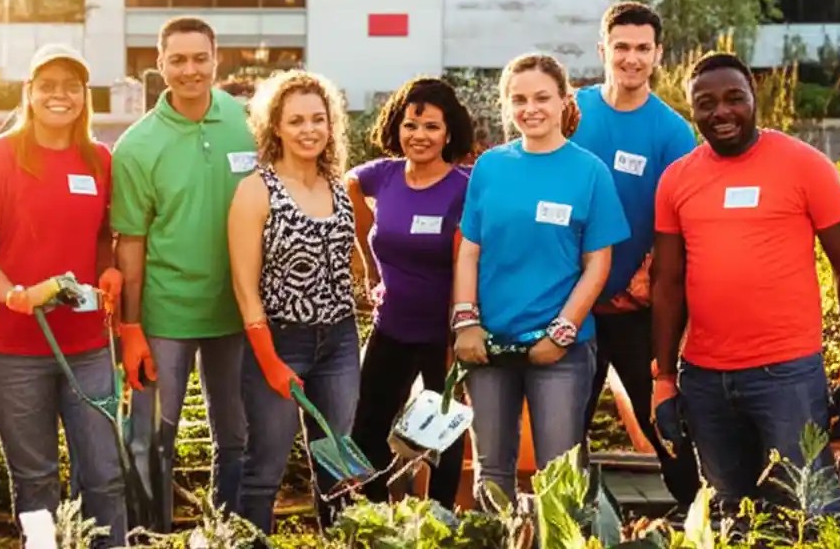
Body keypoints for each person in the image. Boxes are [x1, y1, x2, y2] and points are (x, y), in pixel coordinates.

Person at [651, 51, 840, 513]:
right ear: (692, 110)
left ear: (754, 98)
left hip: (787, 378)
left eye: (734, 98)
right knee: (731, 516)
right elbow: (667, 283)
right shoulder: (676, 180)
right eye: (706, 103)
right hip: (705, 382)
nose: (721, 112)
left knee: (811, 516)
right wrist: (663, 380)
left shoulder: (805, 165)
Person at [0, 44, 126, 546]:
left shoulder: (98, 159)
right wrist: (15, 296)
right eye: (47, 85)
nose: (60, 95)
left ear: (84, 96)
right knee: (35, 479)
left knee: (104, 473)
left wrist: (109, 269)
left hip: (88, 345)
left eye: (71, 86)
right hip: (14, 351)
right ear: (28, 93)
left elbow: (101, 237)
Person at [452, 53, 630, 506]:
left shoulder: (590, 172)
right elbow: (469, 251)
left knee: (559, 472)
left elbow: (597, 264)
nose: (530, 108)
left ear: (564, 101)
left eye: (542, 98)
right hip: (488, 345)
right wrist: (466, 323)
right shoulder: (490, 167)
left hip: (560, 351)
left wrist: (562, 332)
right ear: (506, 105)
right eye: (519, 99)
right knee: (491, 469)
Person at [111, 17, 256, 527]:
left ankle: (228, 531)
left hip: (238, 311)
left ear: (217, 60)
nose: (190, 70)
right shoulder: (136, 146)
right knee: (150, 435)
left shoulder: (250, 123)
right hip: (166, 313)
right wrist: (131, 327)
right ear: (159, 65)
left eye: (200, 58)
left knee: (236, 436)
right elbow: (130, 243)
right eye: (178, 59)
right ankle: (151, 534)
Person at [569, 2, 701, 506]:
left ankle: (698, 519)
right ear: (603, 50)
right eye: (621, 47)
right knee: (565, 431)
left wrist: (645, 279)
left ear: (658, 54)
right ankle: (566, 529)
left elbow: (680, 223)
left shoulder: (671, 133)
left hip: (634, 310)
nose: (631, 58)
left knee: (666, 422)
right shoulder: (571, 112)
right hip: (570, 308)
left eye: (642, 48)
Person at [227, 69, 360, 534]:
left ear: (331, 125)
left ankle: (338, 542)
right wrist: (268, 359)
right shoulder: (255, 190)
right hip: (281, 340)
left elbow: (352, 258)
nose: (309, 130)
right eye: (297, 121)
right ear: (276, 128)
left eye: (318, 120)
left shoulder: (337, 184)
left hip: (341, 339)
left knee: (337, 465)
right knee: (265, 468)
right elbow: (244, 289)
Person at [345, 77, 475, 508]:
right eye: (411, 125)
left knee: (442, 437)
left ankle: (439, 520)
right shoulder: (381, 176)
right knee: (366, 429)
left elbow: (471, 257)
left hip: (443, 334)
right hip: (391, 327)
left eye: (432, 127)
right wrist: (368, 264)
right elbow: (348, 185)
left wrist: (462, 327)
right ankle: (376, 517)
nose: (419, 136)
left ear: (449, 132)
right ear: (397, 128)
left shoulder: (464, 186)